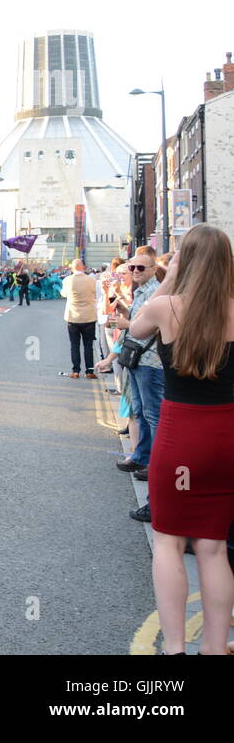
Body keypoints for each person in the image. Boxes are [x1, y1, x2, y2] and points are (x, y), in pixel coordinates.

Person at [128, 225, 234, 656]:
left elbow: (134, 329)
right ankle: (213, 647)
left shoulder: (166, 308)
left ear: (185, 262)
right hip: (226, 438)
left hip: (181, 439)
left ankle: (174, 649)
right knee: (213, 547)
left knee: (169, 541)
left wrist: (168, 277)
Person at [94, 250, 162, 496]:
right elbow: (135, 322)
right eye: (132, 267)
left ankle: (153, 463)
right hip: (136, 358)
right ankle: (142, 456)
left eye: (140, 268)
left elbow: (149, 328)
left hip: (150, 362)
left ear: (154, 269)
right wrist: (124, 310)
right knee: (140, 411)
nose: (134, 272)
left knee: (152, 414)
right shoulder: (141, 291)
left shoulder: (156, 292)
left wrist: (126, 324)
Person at [61, 259, 97, 378]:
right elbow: (95, 293)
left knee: (74, 345)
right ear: (83, 267)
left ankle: (76, 371)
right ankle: (90, 371)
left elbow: (64, 294)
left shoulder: (67, 280)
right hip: (88, 317)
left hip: (73, 317)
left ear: (72, 268)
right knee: (88, 346)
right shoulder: (91, 279)